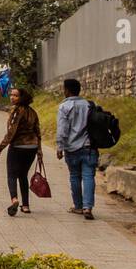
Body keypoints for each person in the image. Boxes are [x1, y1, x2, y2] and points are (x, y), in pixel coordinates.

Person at [0, 87, 43, 216]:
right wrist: (39, 151)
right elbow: (38, 133)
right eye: (11, 95)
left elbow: (11, 133)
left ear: (22, 97)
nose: (12, 97)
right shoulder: (33, 112)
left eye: (15, 95)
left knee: (11, 174)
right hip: (31, 148)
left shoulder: (17, 112)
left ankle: (14, 199)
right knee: (23, 175)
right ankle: (26, 206)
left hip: (18, 147)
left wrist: (0, 147)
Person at [56, 77, 98, 220]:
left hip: (72, 148)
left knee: (75, 176)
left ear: (66, 90)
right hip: (89, 147)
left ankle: (78, 206)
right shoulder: (89, 105)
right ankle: (88, 207)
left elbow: (62, 129)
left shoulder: (64, 107)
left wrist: (59, 146)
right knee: (88, 176)